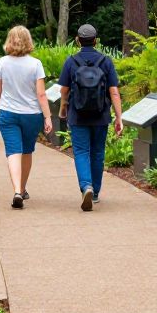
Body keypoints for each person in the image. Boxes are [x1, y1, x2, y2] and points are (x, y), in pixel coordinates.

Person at [57, 23, 123, 212]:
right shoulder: (106, 61)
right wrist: (119, 117)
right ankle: (95, 194)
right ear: (95, 40)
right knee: (97, 153)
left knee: (80, 151)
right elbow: (114, 92)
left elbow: (64, 90)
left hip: (77, 115)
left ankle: (86, 186)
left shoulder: (71, 61)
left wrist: (63, 108)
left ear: (77, 40)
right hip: (101, 115)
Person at [0, 26, 53, 208]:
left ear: (9, 41)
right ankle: (23, 188)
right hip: (32, 115)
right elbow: (41, 94)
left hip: (8, 113)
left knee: (13, 151)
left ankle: (17, 190)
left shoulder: (2, 62)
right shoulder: (35, 64)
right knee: (26, 151)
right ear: (28, 41)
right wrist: (47, 117)